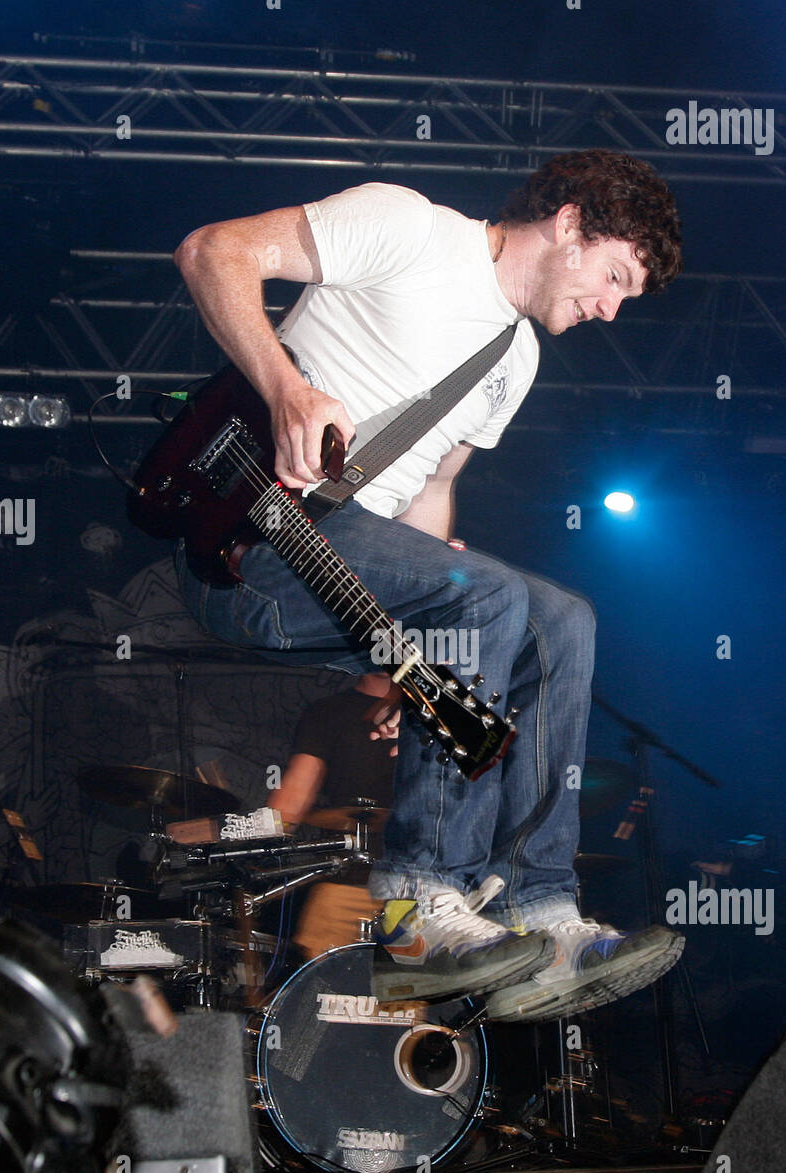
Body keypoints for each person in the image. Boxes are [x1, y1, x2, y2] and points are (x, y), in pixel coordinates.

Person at [172, 149, 685, 1021]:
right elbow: (211, 251)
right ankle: (415, 916)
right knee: (486, 596)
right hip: (253, 540)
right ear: (568, 225)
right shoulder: (406, 225)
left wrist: (427, 667)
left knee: (559, 619)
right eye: (613, 276)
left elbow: (433, 496)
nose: (608, 307)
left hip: (354, 561)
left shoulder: (512, 358)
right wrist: (287, 390)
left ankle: (540, 907)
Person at [268, 672, 397, 960]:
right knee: (321, 987)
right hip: (350, 883)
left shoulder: (438, 710)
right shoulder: (327, 713)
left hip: (428, 883)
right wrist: (238, 836)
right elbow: (292, 800)